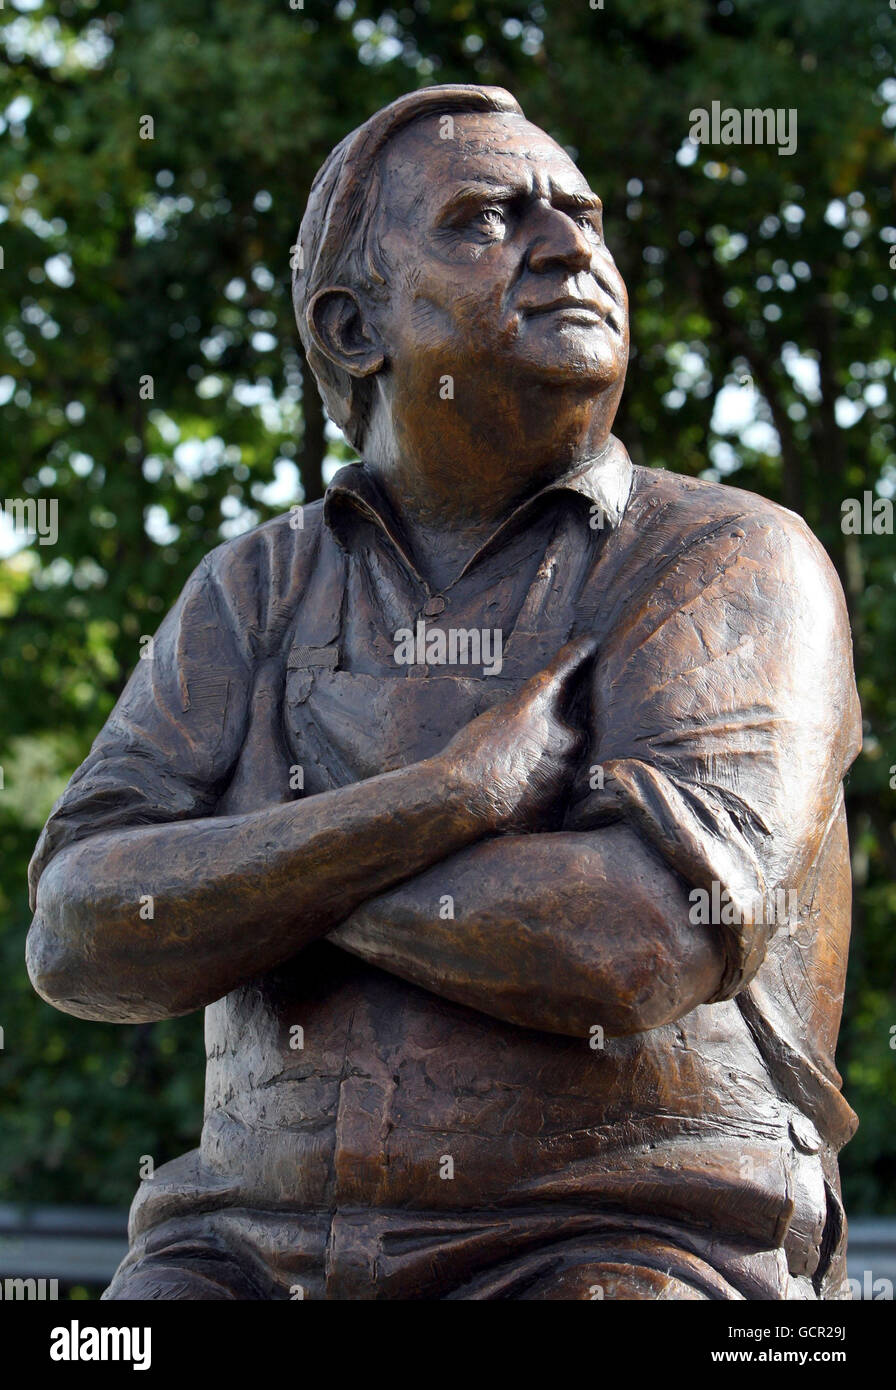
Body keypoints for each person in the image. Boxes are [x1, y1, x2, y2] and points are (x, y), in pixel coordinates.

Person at [27, 85, 861, 1300]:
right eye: (483, 218)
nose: (569, 243)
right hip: (241, 1256)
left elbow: (631, 941)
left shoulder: (726, 557)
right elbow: (77, 931)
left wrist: (239, 867)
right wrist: (446, 796)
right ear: (352, 325)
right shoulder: (252, 586)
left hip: (634, 1242)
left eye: (578, 211)